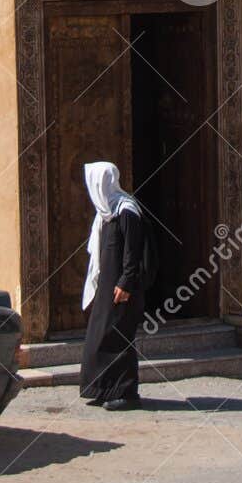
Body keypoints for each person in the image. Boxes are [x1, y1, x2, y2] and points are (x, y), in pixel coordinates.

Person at [79, 161, 145, 411]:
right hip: (107, 286)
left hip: (121, 288)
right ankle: (104, 388)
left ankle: (127, 393)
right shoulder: (106, 213)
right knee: (99, 337)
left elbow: (133, 251)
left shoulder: (127, 210)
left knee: (118, 338)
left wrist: (126, 282)